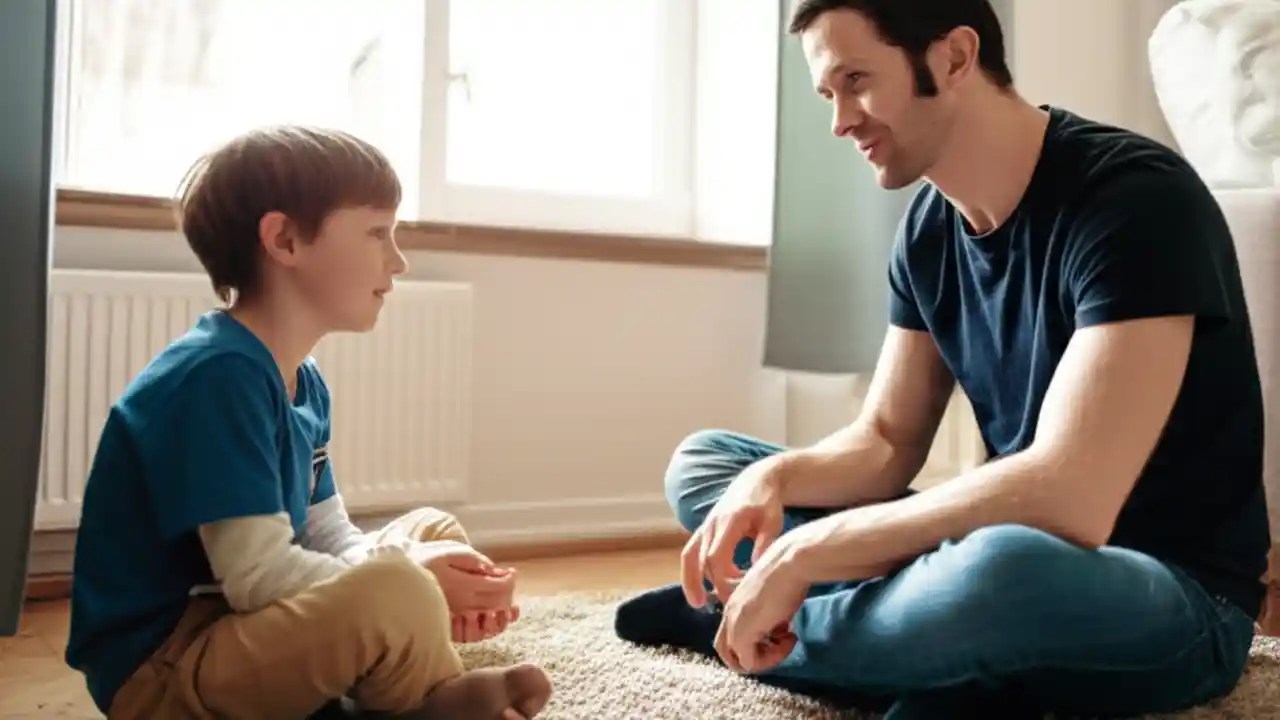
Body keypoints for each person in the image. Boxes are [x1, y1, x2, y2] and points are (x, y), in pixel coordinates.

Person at [615, 1, 1271, 717]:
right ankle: (931, 655)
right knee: (710, 467)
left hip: (1168, 595)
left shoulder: (1136, 199)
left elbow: (1069, 496)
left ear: (954, 57)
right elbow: (887, 442)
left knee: (997, 574)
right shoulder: (929, 229)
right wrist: (772, 479)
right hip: (1002, 546)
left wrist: (808, 555)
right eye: (827, 94)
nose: (840, 121)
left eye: (857, 79)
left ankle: (758, 627)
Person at [65, 127, 553, 720]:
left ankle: (402, 668)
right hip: (168, 666)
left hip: (237, 624)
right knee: (397, 587)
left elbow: (329, 535)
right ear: (285, 239)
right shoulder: (219, 377)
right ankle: (427, 701)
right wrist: (415, 588)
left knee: (431, 531)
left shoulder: (301, 379)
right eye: (378, 233)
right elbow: (258, 576)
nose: (397, 261)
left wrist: (419, 568)